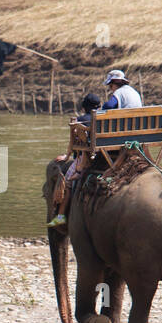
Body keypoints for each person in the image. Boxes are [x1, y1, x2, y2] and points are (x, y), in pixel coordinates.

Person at [47, 92, 105, 229]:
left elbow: (73, 143)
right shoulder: (104, 119)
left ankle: (60, 216)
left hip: (85, 159)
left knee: (66, 184)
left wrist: (66, 157)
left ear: (84, 107)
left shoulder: (81, 120)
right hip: (104, 157)